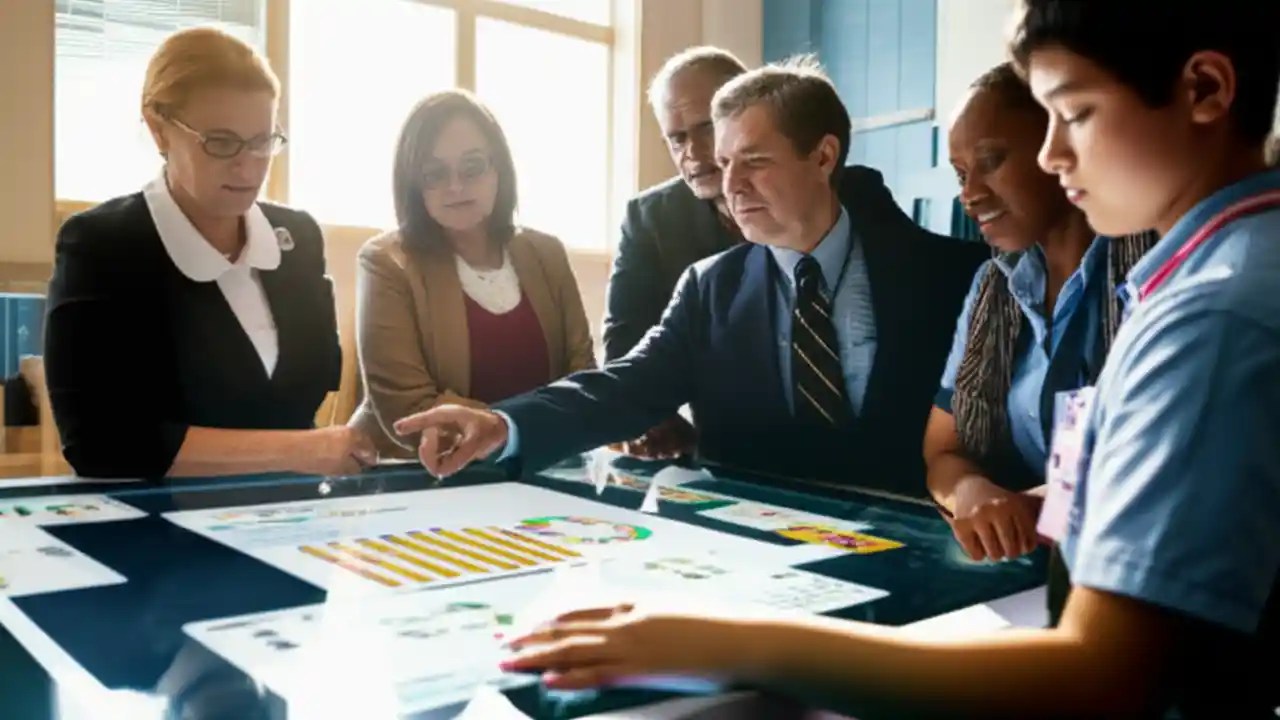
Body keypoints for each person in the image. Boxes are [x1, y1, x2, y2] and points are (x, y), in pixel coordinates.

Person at [494, 2, 1280, 717]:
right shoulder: (1215, 274)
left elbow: (1103, 675)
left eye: (1072, 113)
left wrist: (727, 642)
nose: (1052, 155)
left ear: (1206, 89)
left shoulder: (1209, 315)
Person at [396, 58, 987, 498]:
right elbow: (623, 388)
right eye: (725, 164)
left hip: (914, 554)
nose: (732, 185)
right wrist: (504, 423)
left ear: (824, 157)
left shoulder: (950, 278)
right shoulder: (708, 288)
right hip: (755, 551)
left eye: (754, 161)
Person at [45, 27, 374, 480]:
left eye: (262, 142)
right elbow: (100, 439)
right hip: (158, 529)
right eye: (221, 142)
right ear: (159, 129)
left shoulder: (296, 238)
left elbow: (312, 389)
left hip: (290, 518)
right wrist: (296, 451)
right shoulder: (103, 244)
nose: (248, 165)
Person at [925, 63, 1156, 563]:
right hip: (1037, 569)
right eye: (961, 174)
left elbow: (1167, 459)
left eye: (991, 160)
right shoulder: (993, 287)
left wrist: (1035, 508)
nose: (971, 193)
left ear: (1058, 143)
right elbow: (942, 451)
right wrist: (969, 491)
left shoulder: (1154, 267)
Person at [348, 90, 595, 459]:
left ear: (499, 169)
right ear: (414, 184)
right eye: (434, 174)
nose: (456, 186)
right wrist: (528, 427)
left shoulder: (547, 253)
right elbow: (410, 408)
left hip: (537, 471)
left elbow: (582, 379)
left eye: (473, 166)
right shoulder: (386, 262)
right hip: (416, 473)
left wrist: (519, 432)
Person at [602, 47, 749, 459]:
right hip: (712, 447)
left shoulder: (822, 195)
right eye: (677, 138)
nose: (693, 152)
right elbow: (624, 344)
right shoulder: (650, 218)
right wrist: (652, 416)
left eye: (707, 129)